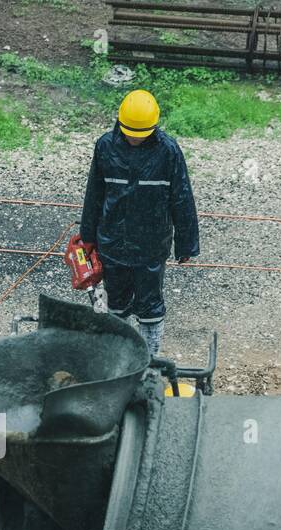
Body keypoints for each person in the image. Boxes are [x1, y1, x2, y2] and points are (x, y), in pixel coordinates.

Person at [79, 89, 200, 355]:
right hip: (112, 244)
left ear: (153, 127)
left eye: (140, 134)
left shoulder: (168, 152)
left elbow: (182, 198)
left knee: (150, 306)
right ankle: (118, 358)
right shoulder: (105, 147)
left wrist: (186, 245)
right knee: (116, 304)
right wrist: (87, 237)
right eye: (130, 133)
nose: (134, 139)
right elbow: (94, 194)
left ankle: (150, 359)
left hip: (151, 247)